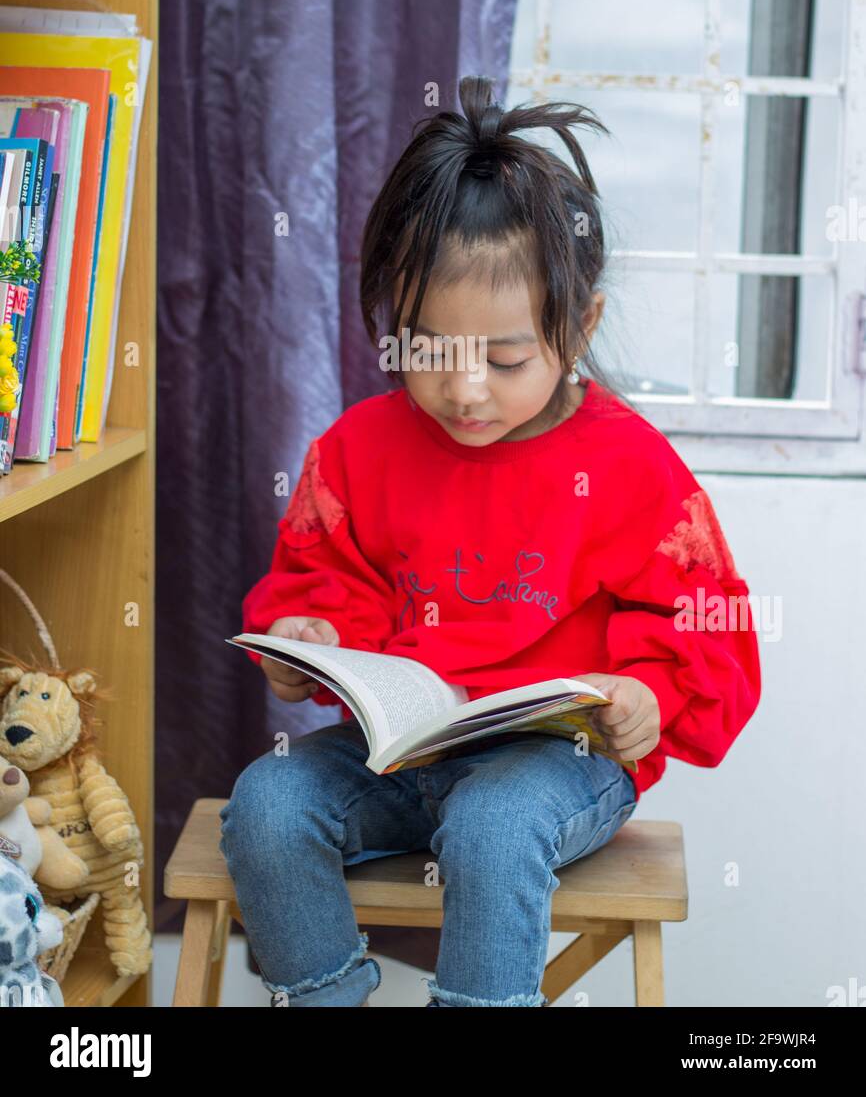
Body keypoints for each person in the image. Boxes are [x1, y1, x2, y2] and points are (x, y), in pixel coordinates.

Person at [219, 75, 761, 1007]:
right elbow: (319, 583)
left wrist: (644, 695)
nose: (465, 390)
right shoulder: (358, 448)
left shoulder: (628, 465)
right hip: (397, 760)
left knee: (495, 828)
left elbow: (703, 621)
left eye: (505, 359)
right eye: (429, 350)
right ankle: (323, 996)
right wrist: (305, 644)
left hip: (555, 768)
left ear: (578, 326)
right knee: (264, 808)